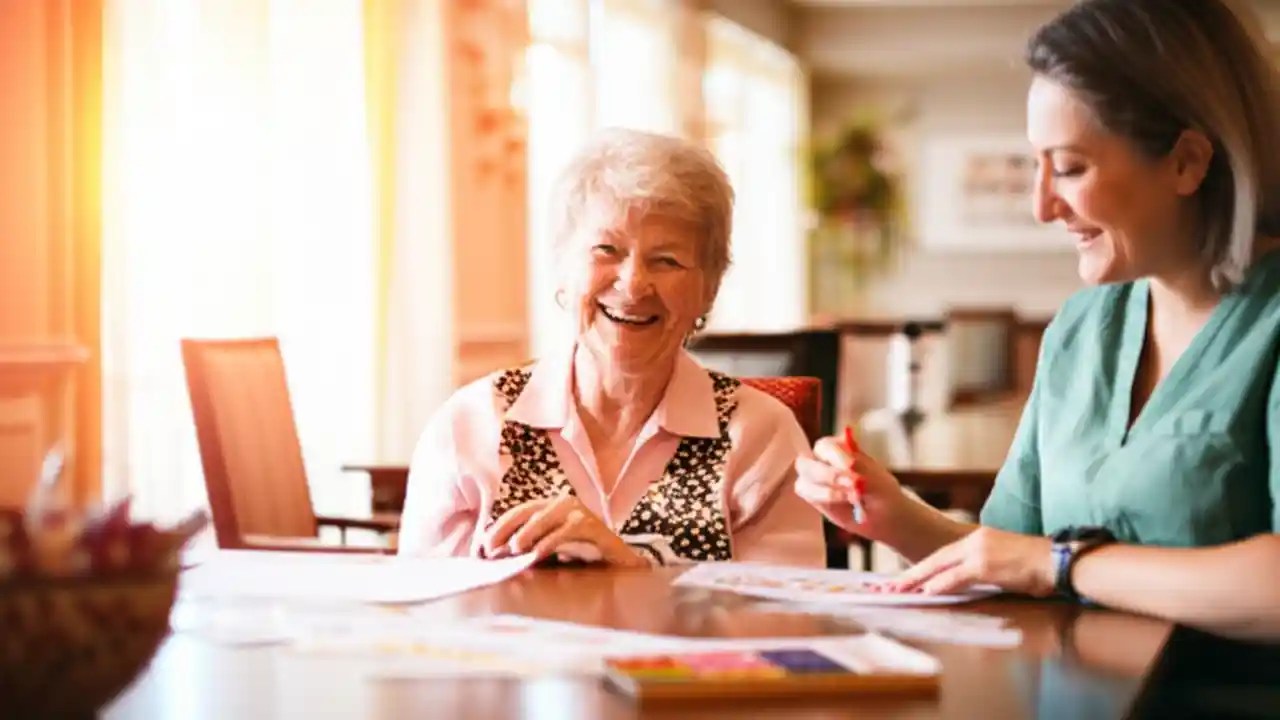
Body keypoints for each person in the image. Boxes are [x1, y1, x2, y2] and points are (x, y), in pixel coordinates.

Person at [796, 0, 1280, 639]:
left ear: (1187, 161)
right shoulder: (1082, 330)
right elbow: (1014, 550)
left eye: (1071, 167)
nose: (1042, 205)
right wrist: (893, 516)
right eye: (1037, 165)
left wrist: (1062, 563)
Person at [399, 128, 825, 568]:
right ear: (563, 268)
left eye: (667, 261)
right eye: (607, 249)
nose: (634, 284)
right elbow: (427, 614)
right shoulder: (470, 427)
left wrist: (632, 570)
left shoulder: (760, 437)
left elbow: (783, 618)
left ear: (709, 289)